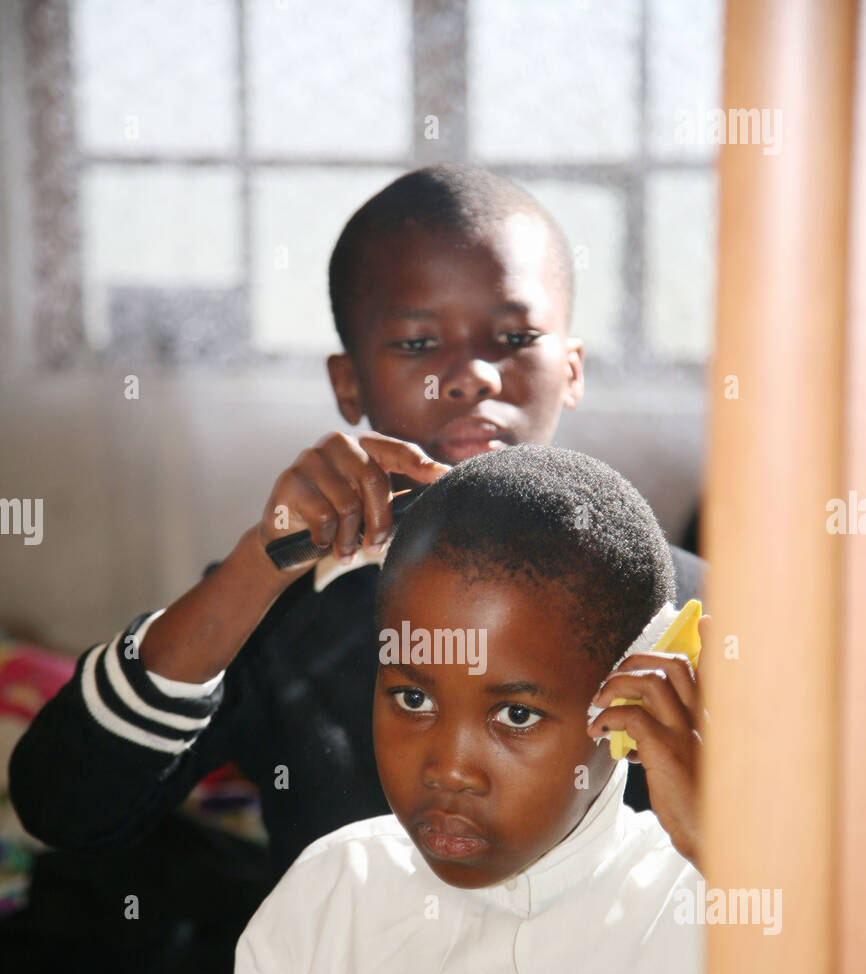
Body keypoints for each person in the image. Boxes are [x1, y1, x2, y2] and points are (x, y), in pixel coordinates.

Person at [9, 166, 705, 886]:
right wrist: (259, 562)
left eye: (513, 335)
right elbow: (62, 805)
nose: (471, 376)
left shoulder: (683, 604)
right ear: (349, 384)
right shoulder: (276, 608)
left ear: (571, 368)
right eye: (415, 344)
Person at [191, 446, 706, 974]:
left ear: (629, 709)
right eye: (412, 697)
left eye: (514, 713)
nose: (450, 767)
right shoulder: (325, 910)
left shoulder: (719, 915)